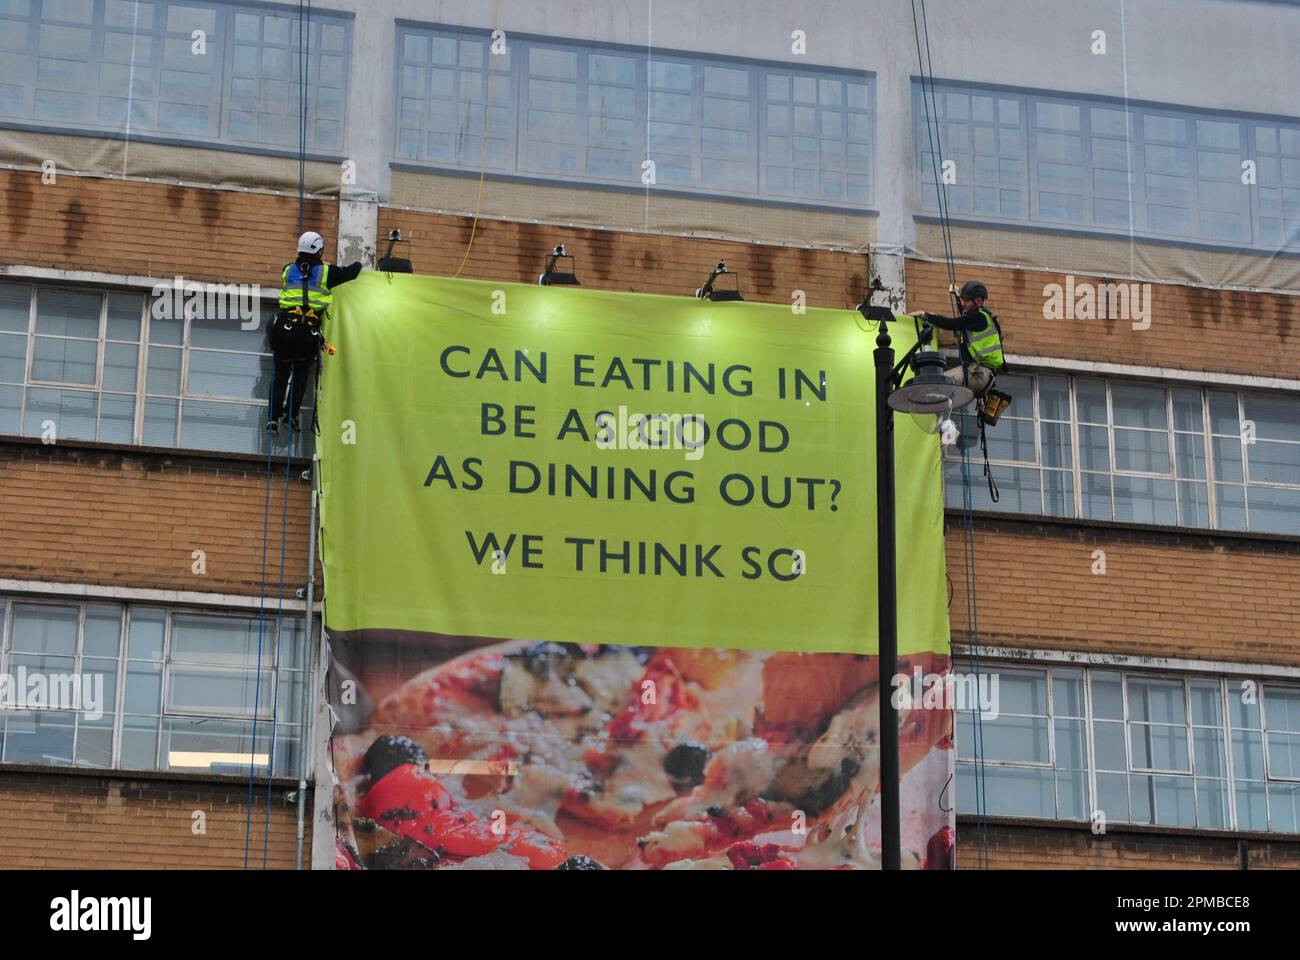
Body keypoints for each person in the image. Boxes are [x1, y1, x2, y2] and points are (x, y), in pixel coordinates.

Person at [268, 231, 362, 434]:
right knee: (300, 375)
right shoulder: (327, 272)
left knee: (280, 376)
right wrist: (359, 262)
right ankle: (290, 416)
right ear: (319, 251)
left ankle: (272, 420)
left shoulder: (287, 270)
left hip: (284, 330)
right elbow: (352, 272)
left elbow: (297, 279)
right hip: (306, 333)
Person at [921, 280, 1005, 397]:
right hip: (979, 373)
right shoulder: (980, 318)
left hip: (979, 374)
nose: (963, 304)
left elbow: (951, 324)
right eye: (962, 300)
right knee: (938, 384)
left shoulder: (979, 317)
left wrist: (926, 316)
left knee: (937, 383)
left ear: (979, 301)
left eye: (967, 300)